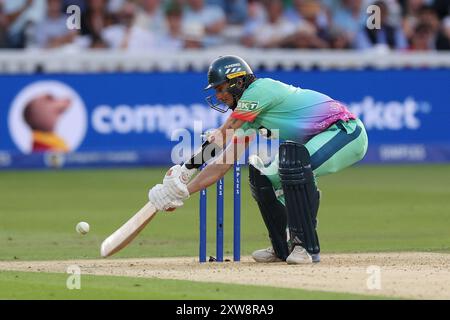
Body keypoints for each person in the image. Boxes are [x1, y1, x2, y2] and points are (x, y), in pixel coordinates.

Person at [148, 55, 368, 265]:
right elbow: (222, 165)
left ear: (238, 81)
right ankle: (283, 247)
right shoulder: (249, 118)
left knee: (292, 166)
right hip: (315, 142)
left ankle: (305, 246)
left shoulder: (260, 89)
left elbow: (225, 133)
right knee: (262, 175)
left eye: (220, 88)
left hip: (345, 132)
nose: (218, 96)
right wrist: (182, 192)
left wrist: (186, 169)